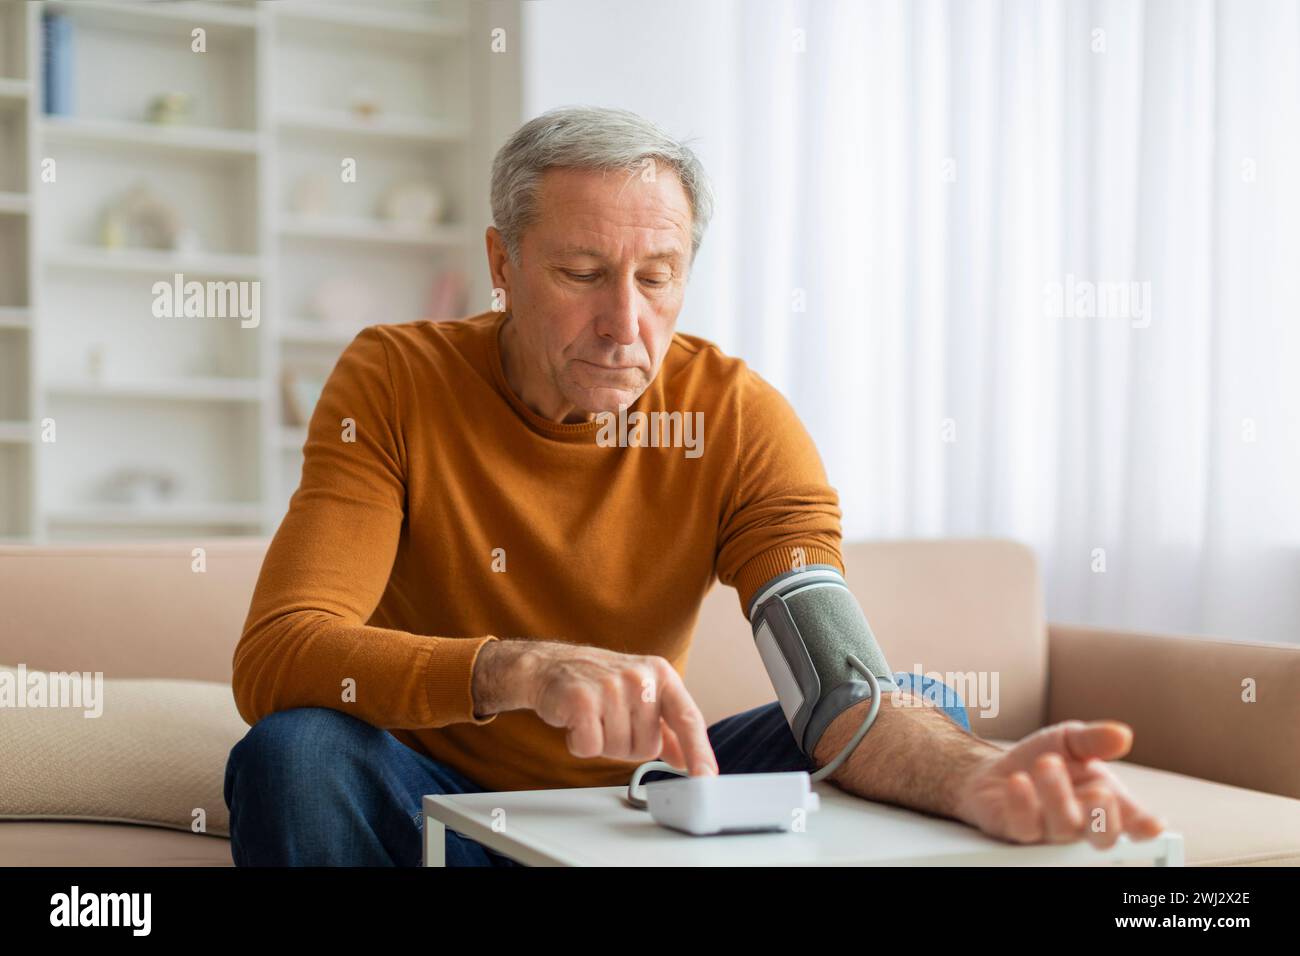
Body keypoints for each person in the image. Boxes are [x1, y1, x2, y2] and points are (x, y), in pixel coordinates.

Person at [224, 105, 1166, 866]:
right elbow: (280, 655)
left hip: (643, 815)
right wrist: (521, 669)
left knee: (920, 705)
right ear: (503, 264)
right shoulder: (397, 379)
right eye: (582, 273)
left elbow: (838, 686)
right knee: (295, 754)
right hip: (430, 802)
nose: (624, 323)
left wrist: (973, 778)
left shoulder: (738, 416)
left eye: (657, 278)